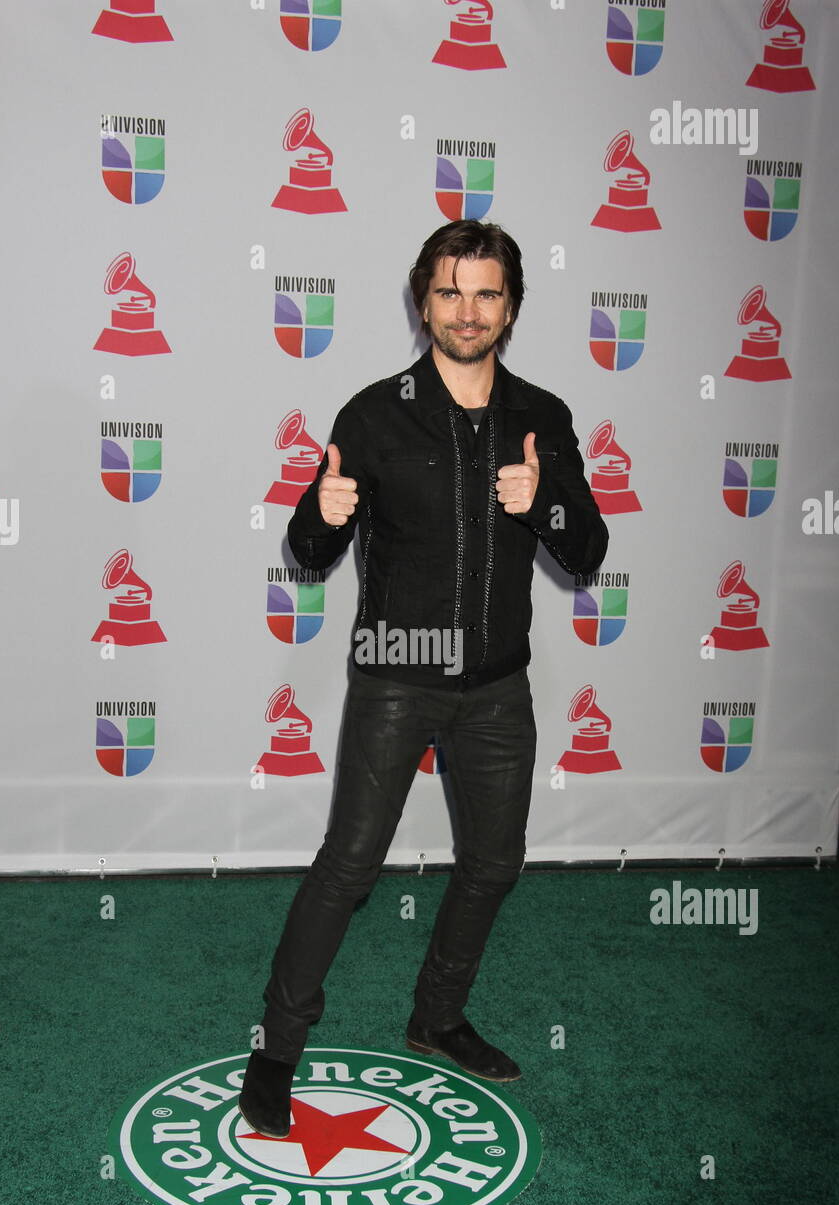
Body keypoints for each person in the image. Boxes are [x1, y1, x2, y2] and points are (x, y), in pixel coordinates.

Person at [239, 219, 608, 1137]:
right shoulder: (372, 415)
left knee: (492, 864)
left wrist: (546, 501)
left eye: (486, 292)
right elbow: (311, 548)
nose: (467, 310)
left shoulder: (543, 418)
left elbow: (588, 549)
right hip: (397, 675)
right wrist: (318, 515)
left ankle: (437, 1019)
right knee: (349, 865)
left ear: (510, 306)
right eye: (449, 291)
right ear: (422, 301)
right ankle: (276, 1049)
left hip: (496, 685)